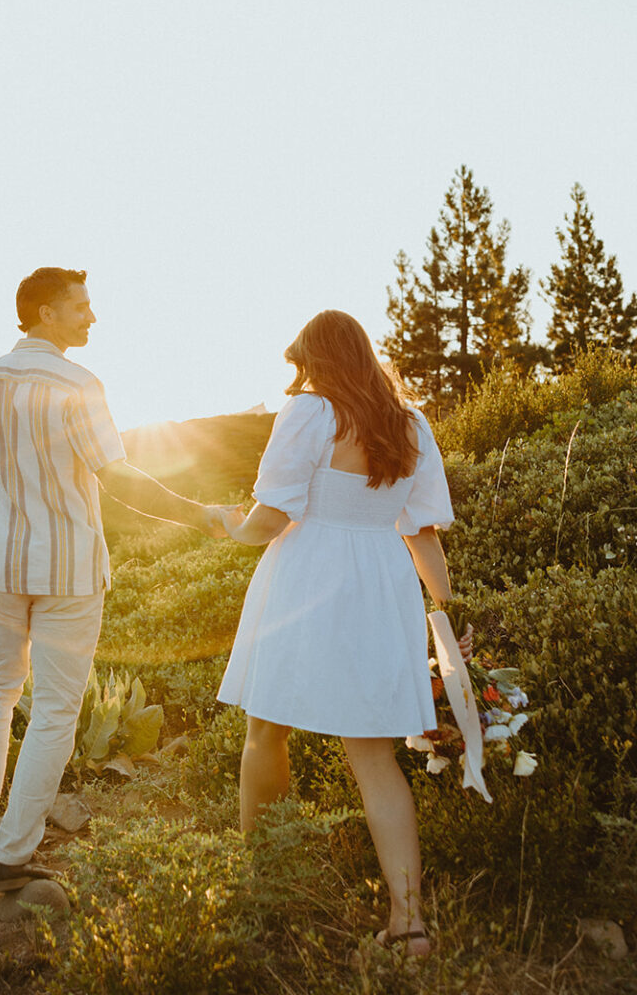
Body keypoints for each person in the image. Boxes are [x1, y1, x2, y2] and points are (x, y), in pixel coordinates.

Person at [0, 266, 223, 890]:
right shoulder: (78, 383)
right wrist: (198, 514)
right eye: (81, 306)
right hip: (68, 568)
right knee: (54, 710)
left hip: (2, 567)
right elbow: (117, 476)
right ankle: (14, 856)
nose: (92, 317)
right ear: (45, 312)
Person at [215, 309, 468, 959]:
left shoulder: (309, 411)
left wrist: (229, 525)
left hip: (304, 579)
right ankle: (409, 923)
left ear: (316, 360)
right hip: (381, 586)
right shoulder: (411, 423)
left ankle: (263, 882)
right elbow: (422, 531)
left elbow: (272, 517)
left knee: (266, 730)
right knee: (375, 758)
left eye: (300, 364)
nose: (296, 377)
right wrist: (448, 613)